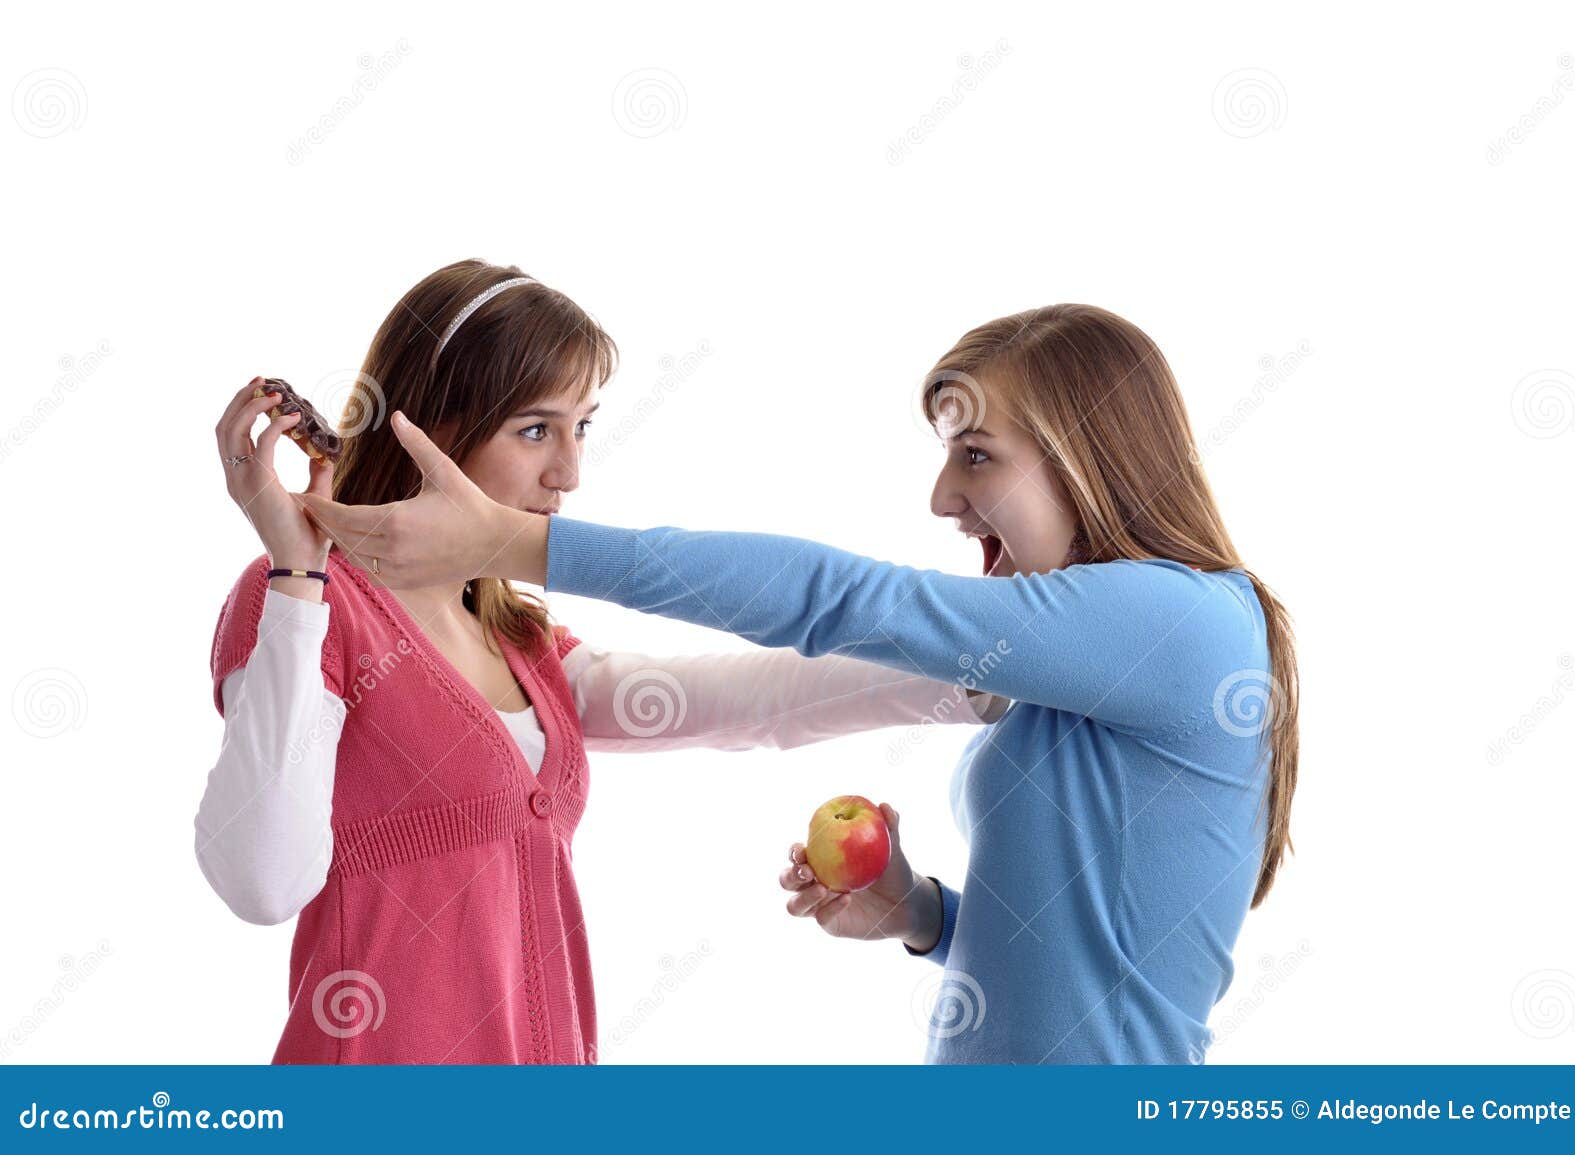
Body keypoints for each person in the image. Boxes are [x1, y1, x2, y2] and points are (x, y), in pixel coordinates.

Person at [297, 302, 1301, 1064]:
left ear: (1090, 461)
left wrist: (514, 542)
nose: (943, 497)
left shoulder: (1185, 620)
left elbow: (843, 600)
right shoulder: (1086, 665)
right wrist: (921, 914)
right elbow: (1089, 963)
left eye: (977, 457)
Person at [198, 260, 1001, 1064]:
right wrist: (297, 576)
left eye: (581, 427)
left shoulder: (516, 634)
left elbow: (749, 701)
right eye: (536, 430)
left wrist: (978, 672)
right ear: (431, 426)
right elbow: (262, 880)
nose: (569, 473)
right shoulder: (308, 604)